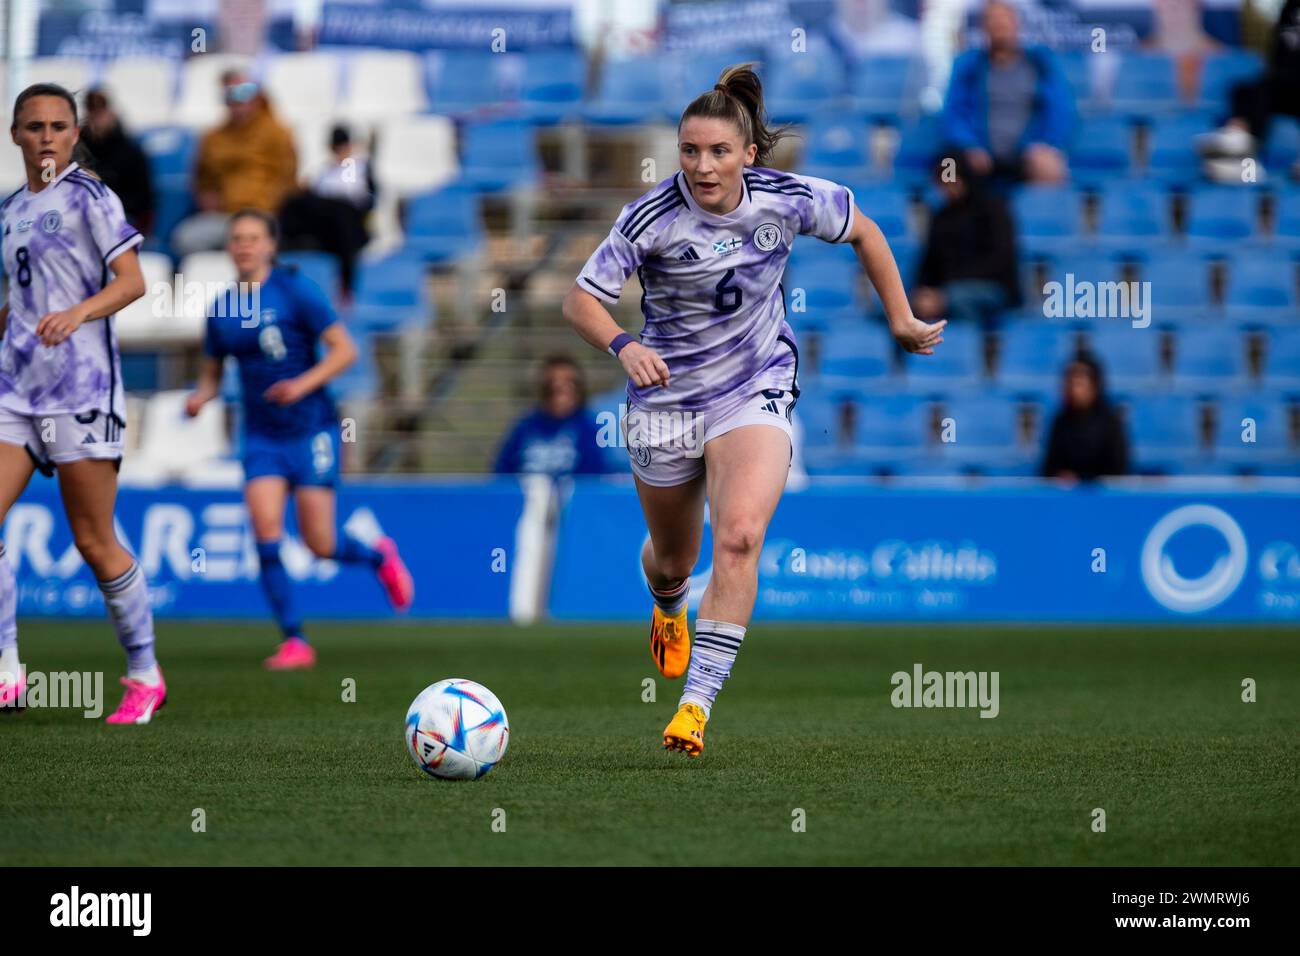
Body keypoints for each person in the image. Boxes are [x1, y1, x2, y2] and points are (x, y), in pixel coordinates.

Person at [562, 63, 944, 757]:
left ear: (749, 154)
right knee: (673, 560)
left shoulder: (788, 198)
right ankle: (668, 604)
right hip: (666, 401)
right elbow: (580, 299)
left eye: (717, 152)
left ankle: (695, 708)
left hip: (754, 387)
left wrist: (902, 318)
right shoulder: (648, 216)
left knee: (738, 536)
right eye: (689, 151)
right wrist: (623, 345)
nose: (702, 166)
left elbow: (868, 233)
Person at [0, 83, 165, 723]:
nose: (46, 136)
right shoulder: (11, 208)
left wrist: (78, 313)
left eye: (58, 126)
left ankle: (145, 673)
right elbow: (26, 299)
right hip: (16, 388)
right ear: (16, 134)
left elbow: (132, 282)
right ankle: (9, 671)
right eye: (33, 126)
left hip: (82, 389)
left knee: (94, 542)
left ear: (75, 135)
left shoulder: (92, 197)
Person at [185, 210, 414, 670]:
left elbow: (345, 350)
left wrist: (301, 386)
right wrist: (202, 397)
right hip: (262, 437)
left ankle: (376, 555)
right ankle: (295, 640)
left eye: (253, 238)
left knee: (319, 544)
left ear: (271, 245)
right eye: (237, 239)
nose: (244, 246)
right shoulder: (222, 308)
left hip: (311, 430)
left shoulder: (295, 290)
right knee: (266, 532)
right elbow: (212, 371)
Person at [941, 0, 1074, 185]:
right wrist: (969, 145)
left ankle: (1043, 214)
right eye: (993, 22)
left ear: (1016, 24)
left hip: (1026, 154)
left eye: (1004, 21)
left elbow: (1059, 110)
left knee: (1051, 168)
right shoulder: (968, 66)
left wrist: (1044, 144)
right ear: (984, 28)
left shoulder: (1040, 64)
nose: (1000, 27)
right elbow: (953, 113)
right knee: (947, 171)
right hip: (979, 154)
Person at [172, 70, 296, 256]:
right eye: (230, 94)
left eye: (245, 91)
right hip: (227, 217)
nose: (238, 101)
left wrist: (263, 213)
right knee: (185, 238)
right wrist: (210, 200)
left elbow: (287, 181)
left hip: (266, 216)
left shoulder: (278, 134)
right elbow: (203, 182)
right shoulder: (212, 138)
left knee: (263, 240)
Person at [1195, 0, 1300, 181]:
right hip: (1289, 86)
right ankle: (1238, 150)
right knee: (1248, 92)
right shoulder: (1290, 8)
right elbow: (1278, 57)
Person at [913, 152, 1020, 328]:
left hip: (994, 288)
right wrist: (922, 292)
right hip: (944, 290)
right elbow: (928, 263)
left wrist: (944, 293)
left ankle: (965, 349)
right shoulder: (940, 217)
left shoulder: (993, 210)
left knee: (958, 299)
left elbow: (1000, 259)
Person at [279, 125, 375, 297]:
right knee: (292, 203)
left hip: (349, 221)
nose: (339, 150)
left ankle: (347, 286)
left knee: (341, 216)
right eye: (335, 147)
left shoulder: (361, 166)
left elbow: (365, 199)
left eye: (342, 145)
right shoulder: (325, 171)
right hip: (325, 222)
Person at [493, 355, 610, 478]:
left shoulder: (588, 429)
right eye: (552, 387)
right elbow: (502, 475)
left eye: (569, 385)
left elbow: (594, 480)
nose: (560, 394)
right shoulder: (525, 427)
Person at [1041, 351, 1130, 482]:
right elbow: (1048, 468)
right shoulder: (1060, 421)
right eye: (1070, 383)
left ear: (1095, 386)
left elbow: (1118, 471)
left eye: (1080, 384)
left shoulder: (1111, 422)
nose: (1074, 390)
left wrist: (1087, 480)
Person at [79, 88, 154, 236]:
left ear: (111, 112)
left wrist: (107, 206)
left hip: (121, 215)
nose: (97, 118)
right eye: (93, 111)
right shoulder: (76, 150)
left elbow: (143, 199)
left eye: (101, 111)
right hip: (84, 215)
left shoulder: (131, 151)